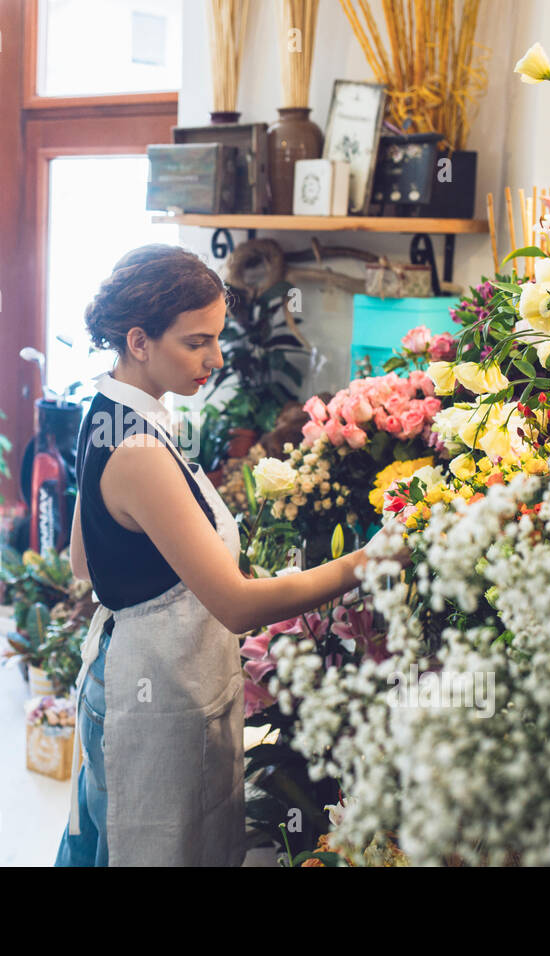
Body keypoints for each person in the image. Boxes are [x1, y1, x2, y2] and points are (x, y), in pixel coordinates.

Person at [53, 243, 377, 867]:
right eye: (196, 342)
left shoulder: (115, 411)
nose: (216, 357)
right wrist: (368, 560)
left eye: (217, 338)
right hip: (152, 693)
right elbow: (233, 606)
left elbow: (84, 562)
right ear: (139, 340)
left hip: (127, 671)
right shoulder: (141, 450)